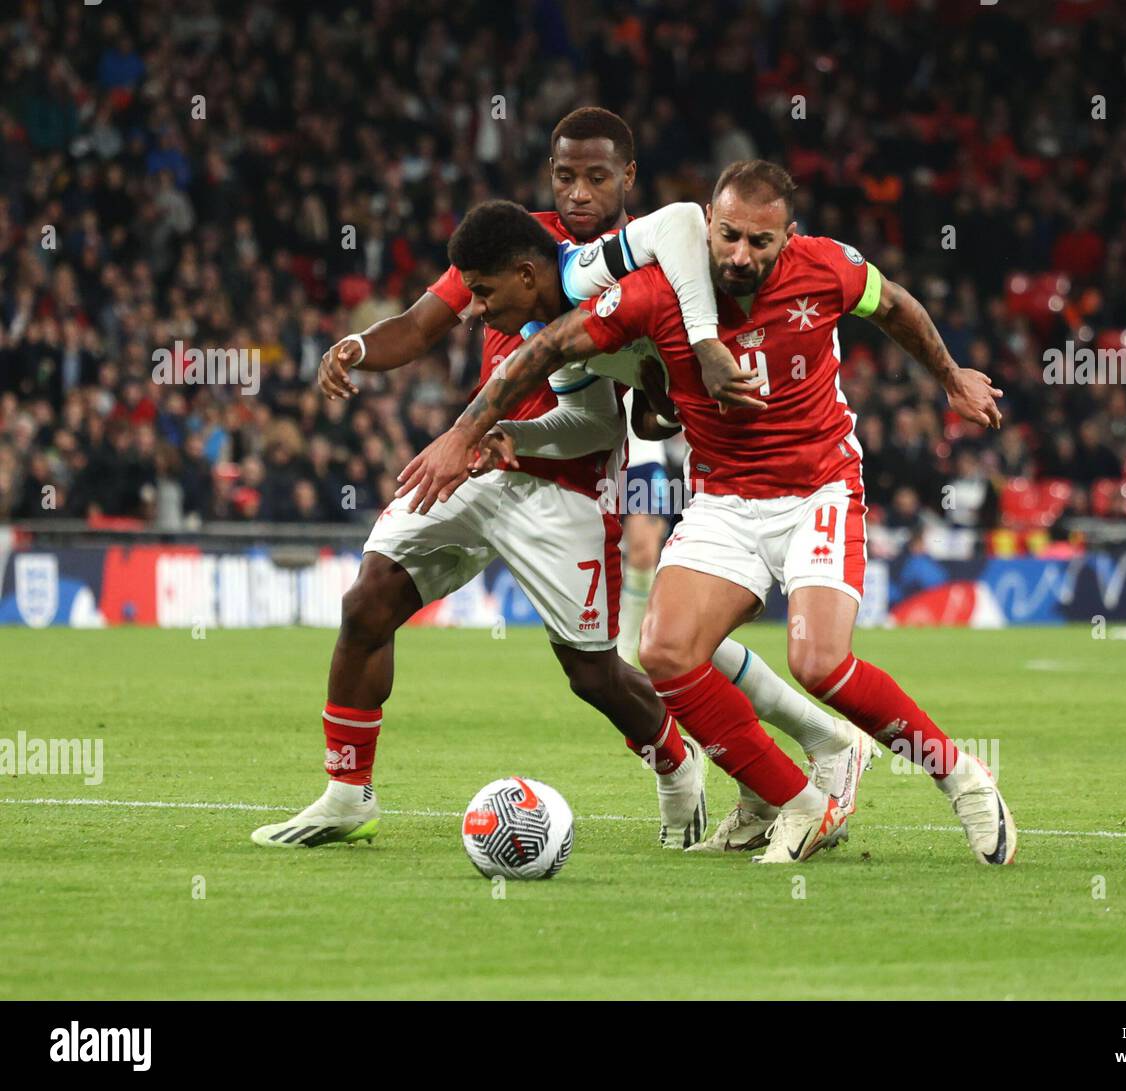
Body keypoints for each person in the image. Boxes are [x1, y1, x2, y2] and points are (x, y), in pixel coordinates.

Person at [252, 118, 863, 851]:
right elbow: (419, 326)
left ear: (627, 179)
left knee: (595, 672)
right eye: (565, 176)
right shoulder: (516, 242)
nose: (578, 192)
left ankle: (678, 760)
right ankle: (347, 792)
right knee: (367, 598)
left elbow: (641, 414)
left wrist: (656, 432)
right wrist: (356, 346)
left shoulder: (653, 270)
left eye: (597, 177)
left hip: (571, 486)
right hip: (479, 463)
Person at [402, 161, 1017, 867]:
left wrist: (950, 375)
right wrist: (464, 432)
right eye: (728, 236)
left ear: (789, 237)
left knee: (818, 662)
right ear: (708, 225)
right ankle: (796, 801)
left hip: (820, 485)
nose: (740, 256)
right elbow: (542, 349)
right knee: (664, 650)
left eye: (761, 242)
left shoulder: (827, 269)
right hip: (724, 498)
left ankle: (963, 777)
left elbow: (897, 306)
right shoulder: (654, 293)